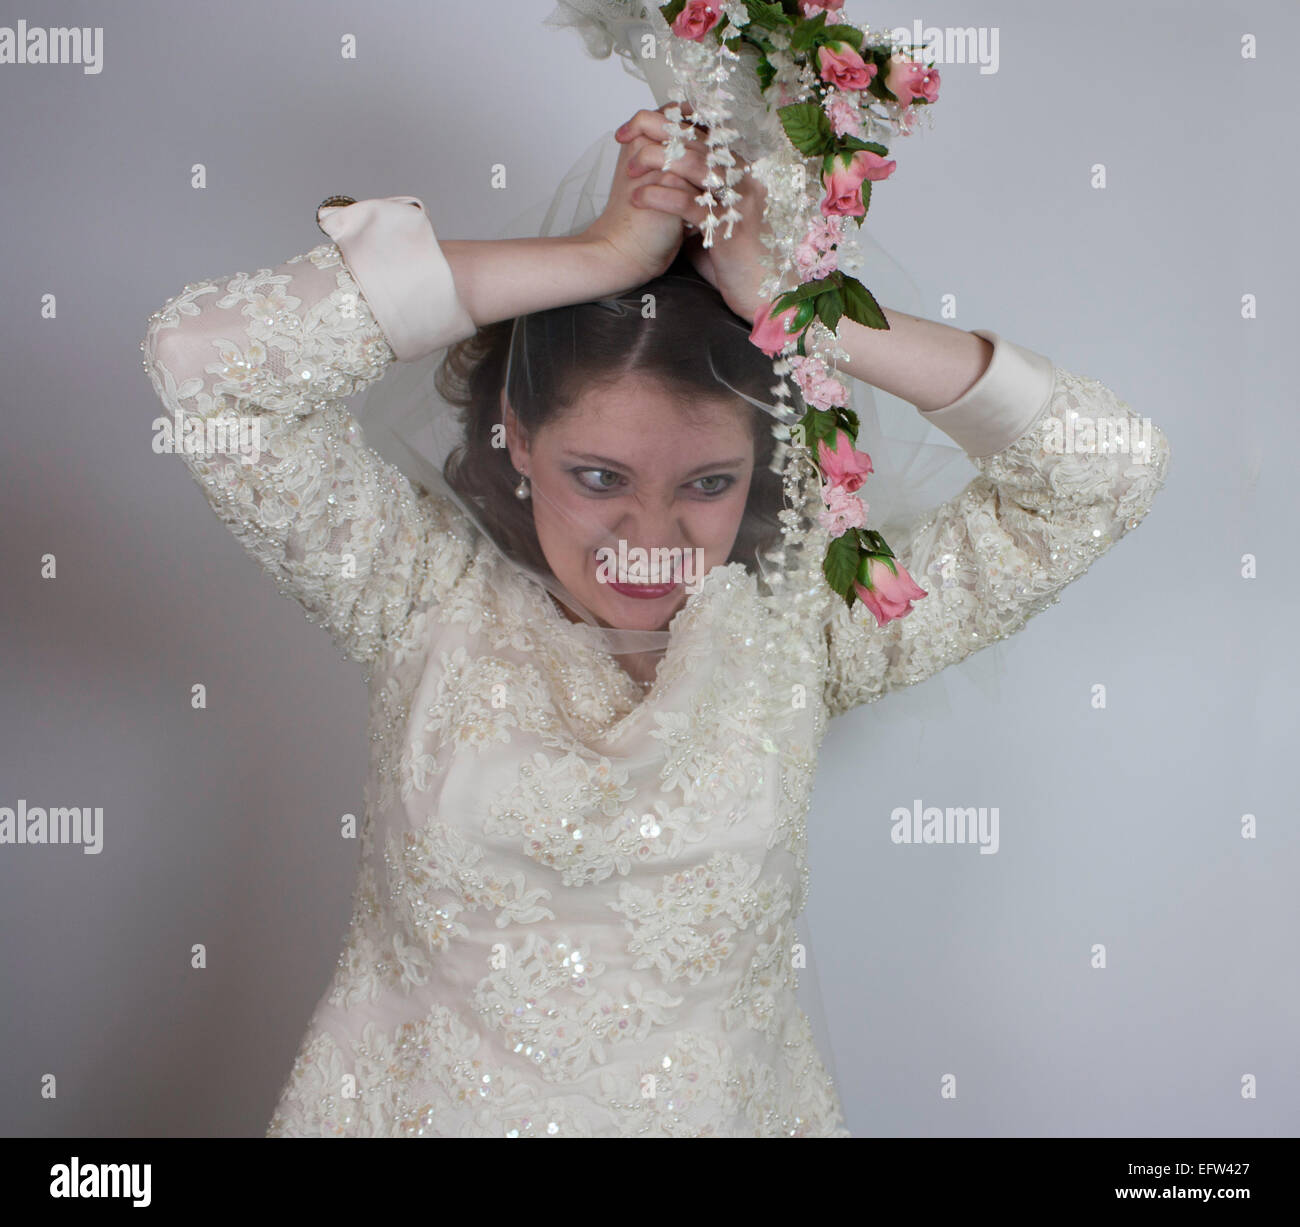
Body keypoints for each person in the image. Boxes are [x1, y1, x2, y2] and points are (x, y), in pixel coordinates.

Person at [139, 108, 1170, 1137]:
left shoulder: (802, 634)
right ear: (517, 442)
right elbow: (201, 362)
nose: (650, 533)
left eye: (708, 482)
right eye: (598, 477)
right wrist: (595, 257)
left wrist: (801, 311)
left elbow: (1104, 471)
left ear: (758, 470)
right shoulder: (415, 594)